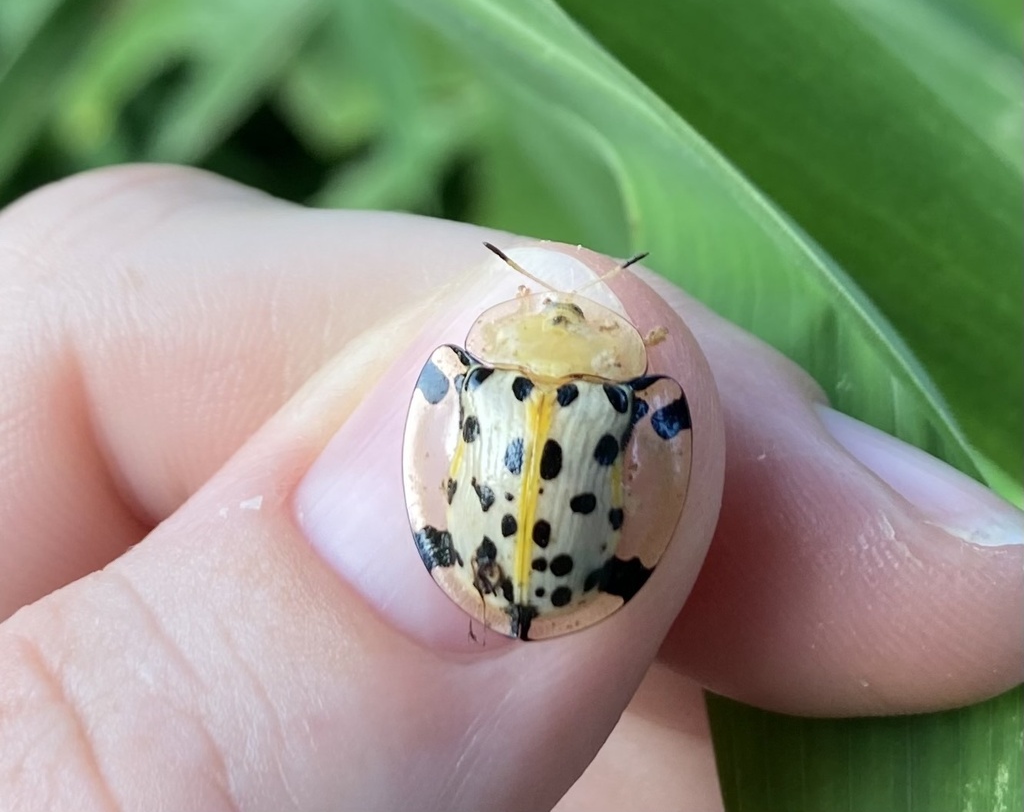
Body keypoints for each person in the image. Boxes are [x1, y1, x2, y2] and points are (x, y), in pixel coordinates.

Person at [0, 165, 1019, 812]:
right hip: (564, 567)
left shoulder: (487, 376)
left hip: (526, 572)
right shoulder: (619, 387)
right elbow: (665, 448)